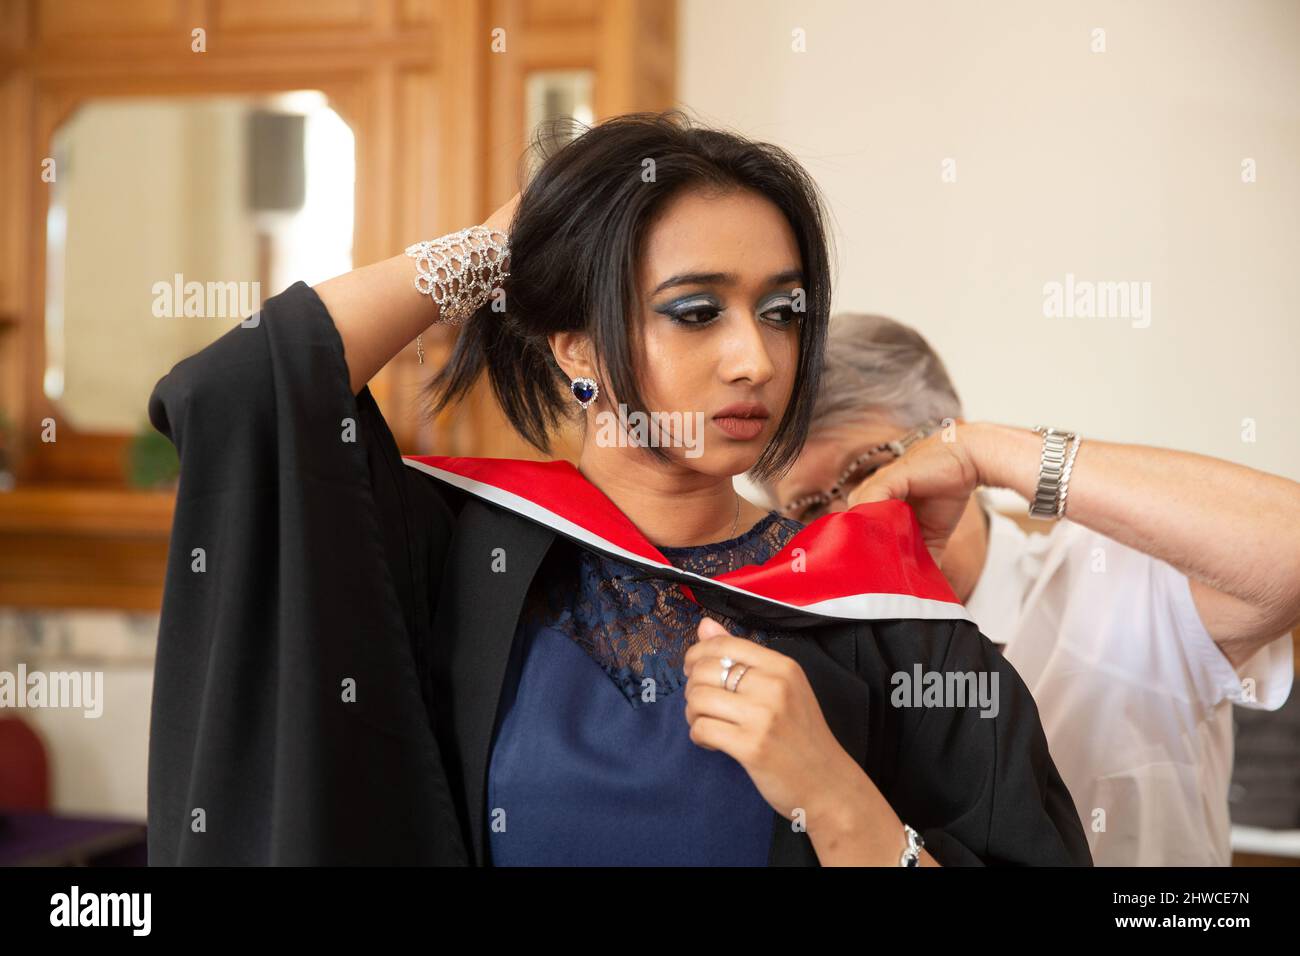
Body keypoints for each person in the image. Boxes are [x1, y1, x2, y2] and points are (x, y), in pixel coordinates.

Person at [146, 110, 1091, 866]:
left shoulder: (884, 611)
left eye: (781, 311)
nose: (753, 358)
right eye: (695, 311)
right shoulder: (456, 555)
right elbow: (233, 395)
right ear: (579, 348)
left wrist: (841, 805)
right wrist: (496, 245)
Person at [767, 312, 1299, 865]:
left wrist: (989, 452)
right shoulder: (817, 675)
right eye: (809, 507)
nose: (853, 517)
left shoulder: (1118, 581)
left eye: (867, 471)